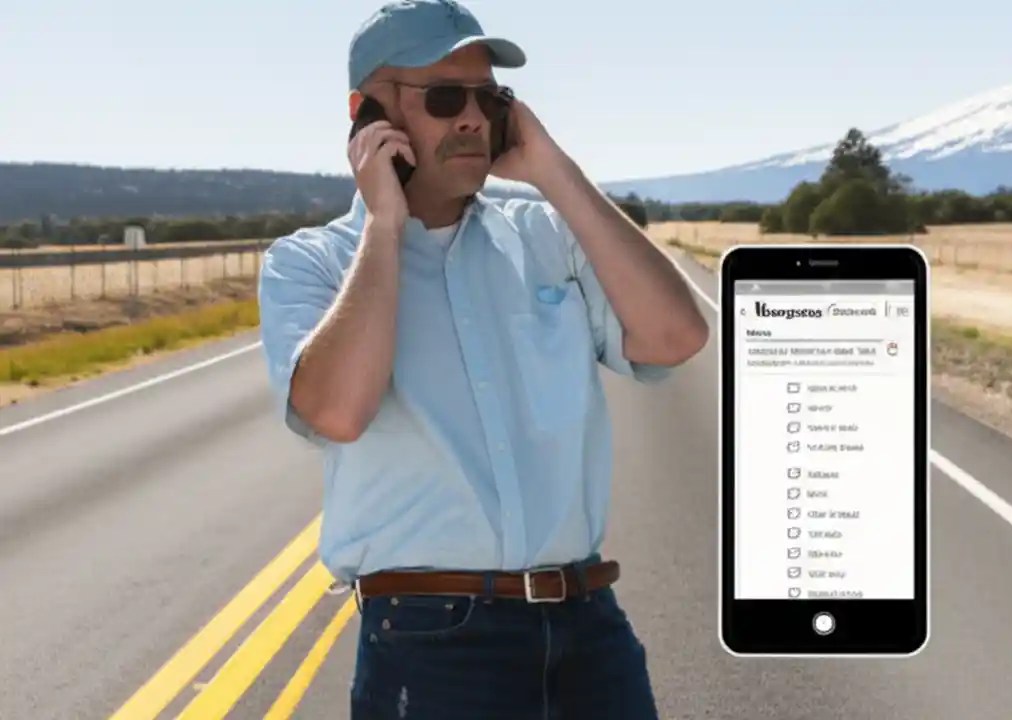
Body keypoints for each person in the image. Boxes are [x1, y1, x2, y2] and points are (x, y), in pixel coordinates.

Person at [256, 0, 708, 717]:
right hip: (432, 645)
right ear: (366, 112)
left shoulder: (548, 236)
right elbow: (338, 410)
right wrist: (385, 225)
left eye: (490, 99)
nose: (471, 117)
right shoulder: (312, 264)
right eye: (443, 97)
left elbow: (675, 337)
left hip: (591, 628)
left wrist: (554, 171)